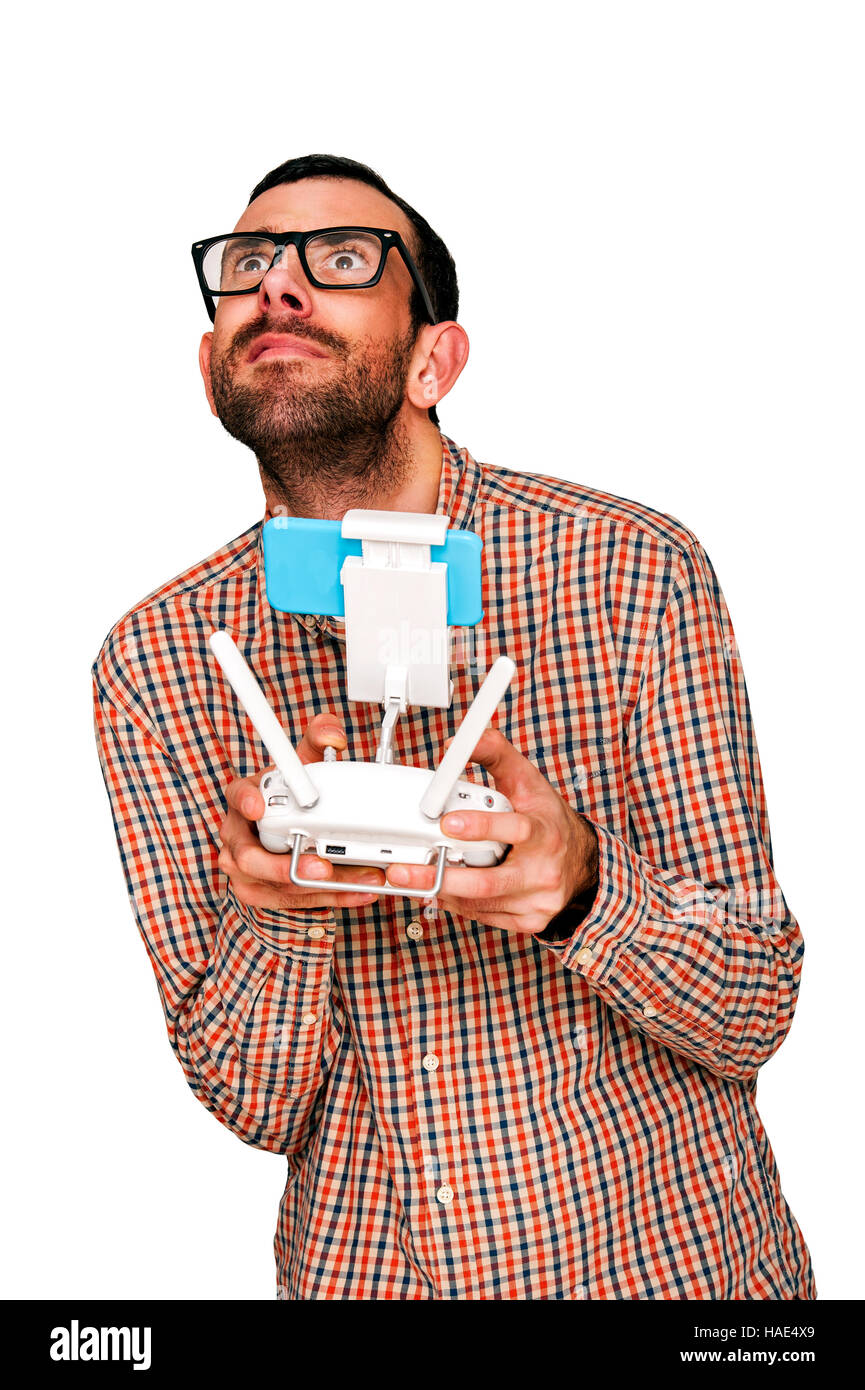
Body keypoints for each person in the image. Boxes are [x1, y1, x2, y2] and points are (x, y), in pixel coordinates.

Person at [92, 154, 815, 1300]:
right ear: (210, 366)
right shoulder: (159, 659)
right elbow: (249, 1098)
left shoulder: (630, 570)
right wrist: (281, 917)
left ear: (435, 358)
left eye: (340, 260)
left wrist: (577, 887)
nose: (278, 287)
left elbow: (756, 1004)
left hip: (681, 1283)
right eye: (245, 268)